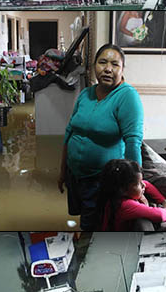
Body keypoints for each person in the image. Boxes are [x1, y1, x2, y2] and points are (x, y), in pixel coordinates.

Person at [58, 44, 143, 231]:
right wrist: (63, 170)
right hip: (75, 174)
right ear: (94, 65)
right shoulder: (86, 94)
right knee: (82, 215)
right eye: (102, 62)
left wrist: (137, 185)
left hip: (100, 180)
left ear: (122, 70)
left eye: (115, 64)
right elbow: (69, 132)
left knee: (93, 225)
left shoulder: (127, 96)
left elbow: (133, 143)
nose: (107, 69)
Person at [97, 159, 166, 232]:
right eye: (138, 183)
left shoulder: (113, 194)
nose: (143, 185)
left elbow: (146, 183)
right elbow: (160, 215)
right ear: (123, 190)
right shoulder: (125, 205)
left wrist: (163, 201)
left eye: (141, 181)